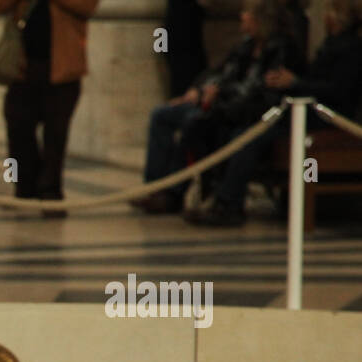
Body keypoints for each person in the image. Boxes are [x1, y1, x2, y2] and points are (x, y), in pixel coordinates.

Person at [187, 0, 361, 225]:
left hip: (325, 117)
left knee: (250, 138)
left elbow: (339, 91)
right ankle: (221, 198)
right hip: (304, 110)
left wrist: (295, 82)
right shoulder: (331, 44)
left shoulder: (351, 49)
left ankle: (229, 202)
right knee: (234, 128)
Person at [133, 0, 300, 215]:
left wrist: (219, 94)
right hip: (221, 103)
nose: (242, 17)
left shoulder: (282, 49)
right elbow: (218, 72)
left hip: (243, 111)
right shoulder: (246, 45)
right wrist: (198, 89)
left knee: (196, 124)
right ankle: (155, 187)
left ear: (261, 19)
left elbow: (257, 90)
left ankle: (181, 194)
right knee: (162, 115)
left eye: (246, 13)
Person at [0, 0, 100, 218]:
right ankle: (24, 187)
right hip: (24, 67)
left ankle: (50, 191)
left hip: (63, 68)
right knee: (17, 122)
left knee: (56, 133)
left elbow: (87, 6)